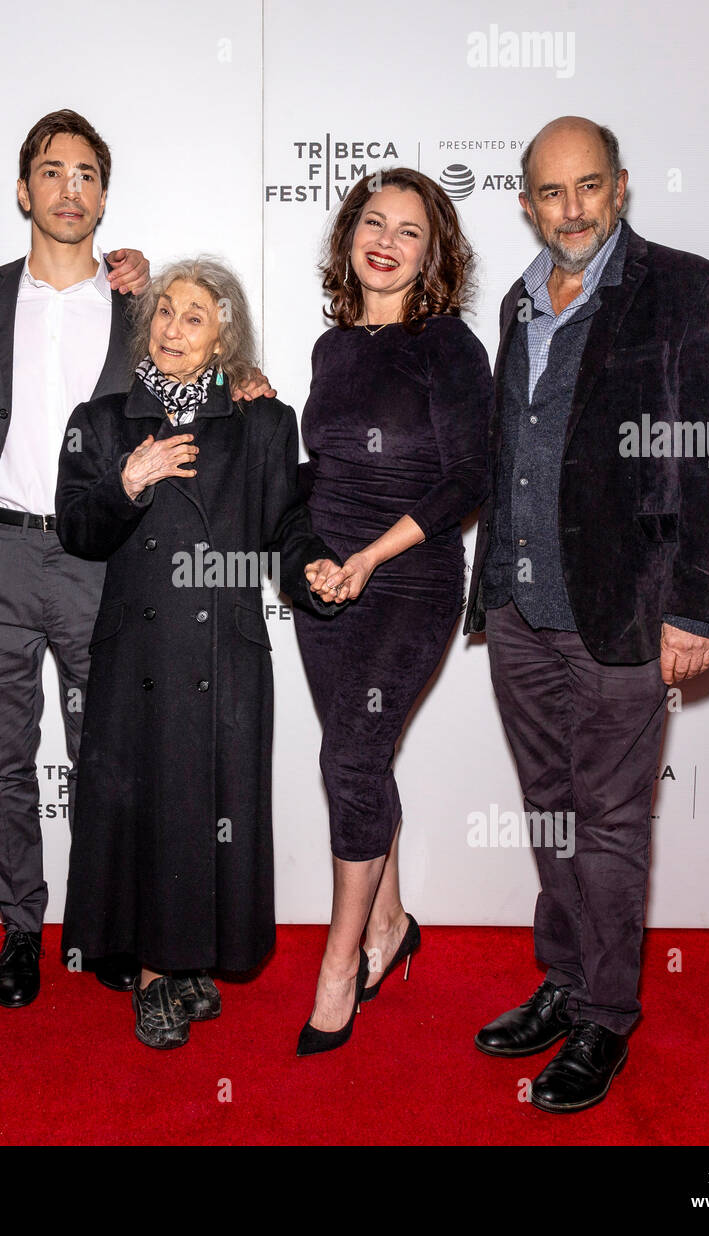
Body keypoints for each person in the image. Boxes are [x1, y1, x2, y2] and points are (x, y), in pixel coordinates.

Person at [465, 116, 709, 1111]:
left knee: (611, 826)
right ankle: (567, 977)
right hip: (518, 607)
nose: (571, 208)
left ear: (620, 188)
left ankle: (606, 1019)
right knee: (549, 809)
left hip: (625, 614)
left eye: (588, 187)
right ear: (527, 203)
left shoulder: (686, 289)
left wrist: (698, 609)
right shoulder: (515, 302)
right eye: (551, 192)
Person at [54, 258, 342, 1049]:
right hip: (136, 650)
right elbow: (78, 527)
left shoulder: (264, 423)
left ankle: (191, 963)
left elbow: (283, 528)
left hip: (226, 647)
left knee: (208, 809)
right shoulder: (103, 419)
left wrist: (312, 567)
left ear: (225, 340)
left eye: (194, 317)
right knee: (149, 806)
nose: (172, 328)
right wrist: (128, 481)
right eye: (164, 312)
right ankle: (151, 970)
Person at [292, 168, 492, 1055]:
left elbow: (470, 479)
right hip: (325, 589)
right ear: (349, 239)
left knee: (354, 754)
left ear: (432, 255)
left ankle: (338, 966)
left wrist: (371, 558)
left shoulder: (445, 345)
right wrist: (315, 562)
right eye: (374, 222)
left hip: (407, 584)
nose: (386, 240)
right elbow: (315, 474)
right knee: (358, 762)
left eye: (410, 231)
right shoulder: (331, 349)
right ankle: (391, 922)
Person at [0, 110, 151, 1005]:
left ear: (104, 195)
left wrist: (251, 382)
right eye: (51, 171)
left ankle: (101, 922)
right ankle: (21, 929)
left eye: (85, 174)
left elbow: (208, 379)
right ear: (24, 189)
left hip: (97, 562)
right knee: (6, 756)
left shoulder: (139, 308)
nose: (68, 189)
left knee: (101, 751)